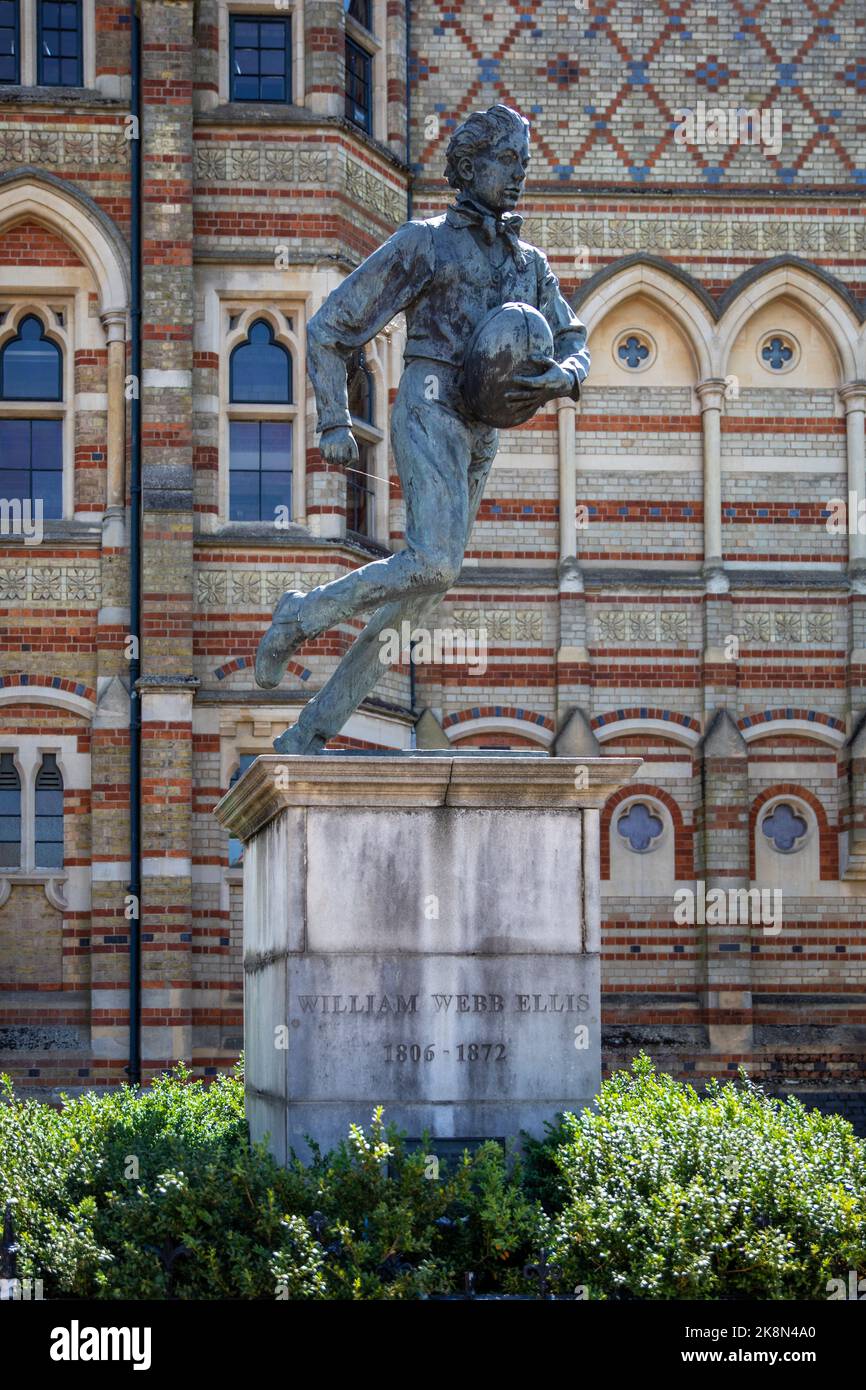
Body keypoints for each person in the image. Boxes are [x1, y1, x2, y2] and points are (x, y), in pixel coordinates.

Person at [255, 103, 590, 753]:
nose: (518, 175)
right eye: (507, 161)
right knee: (433, 562)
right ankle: (302, 615)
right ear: (469, 166)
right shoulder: (425, 242)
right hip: (430, 402)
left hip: (484, 426)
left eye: (524, 163)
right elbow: (331, 327)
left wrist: (565, 376)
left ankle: (311, 731)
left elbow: (576, 338)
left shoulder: (530, 265)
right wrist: (334, 416)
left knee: (419, 597)